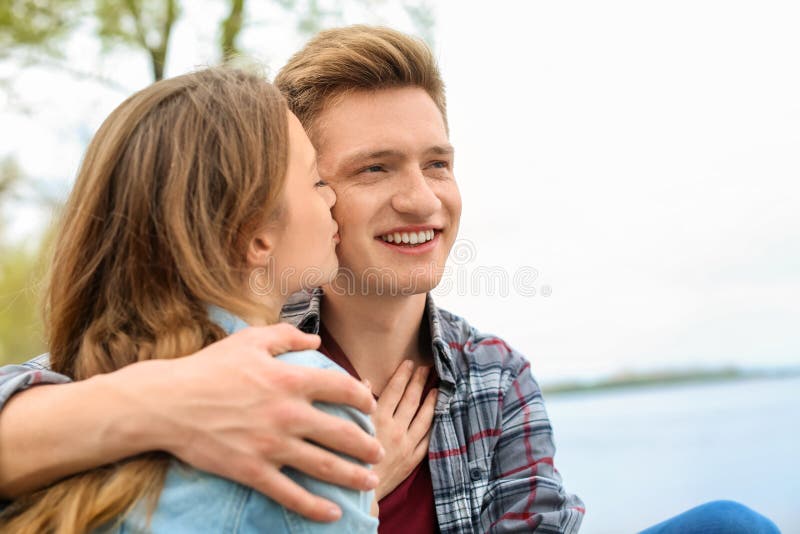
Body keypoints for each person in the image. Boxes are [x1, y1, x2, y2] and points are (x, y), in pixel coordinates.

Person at [0, 25, 781, 534]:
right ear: (282, 194)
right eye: (374, 167)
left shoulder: (493, 379)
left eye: (437, 163)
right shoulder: (216, 353)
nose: (422, 198)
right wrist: (164, 402)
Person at [0, 67, 385, 533]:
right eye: (316, 181)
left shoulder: (61, 383)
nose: (332, 201)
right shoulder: (301, 398)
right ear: (256, 234)